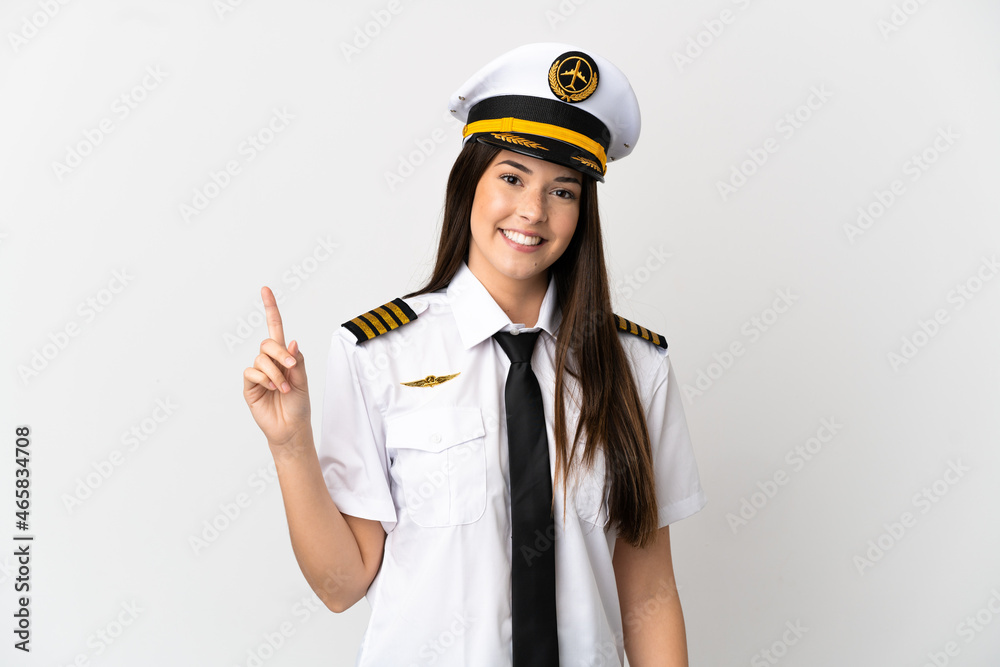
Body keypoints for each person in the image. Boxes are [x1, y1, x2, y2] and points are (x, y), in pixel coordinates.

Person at [243, 42, 707, 666]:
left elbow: (648, 589)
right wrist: (290, 441)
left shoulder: (634, 367)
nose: (533, 211)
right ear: (470, 185)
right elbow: (341, 584)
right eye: (512, 177)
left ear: (583, 212)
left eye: (563, 191)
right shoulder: (378, 355)